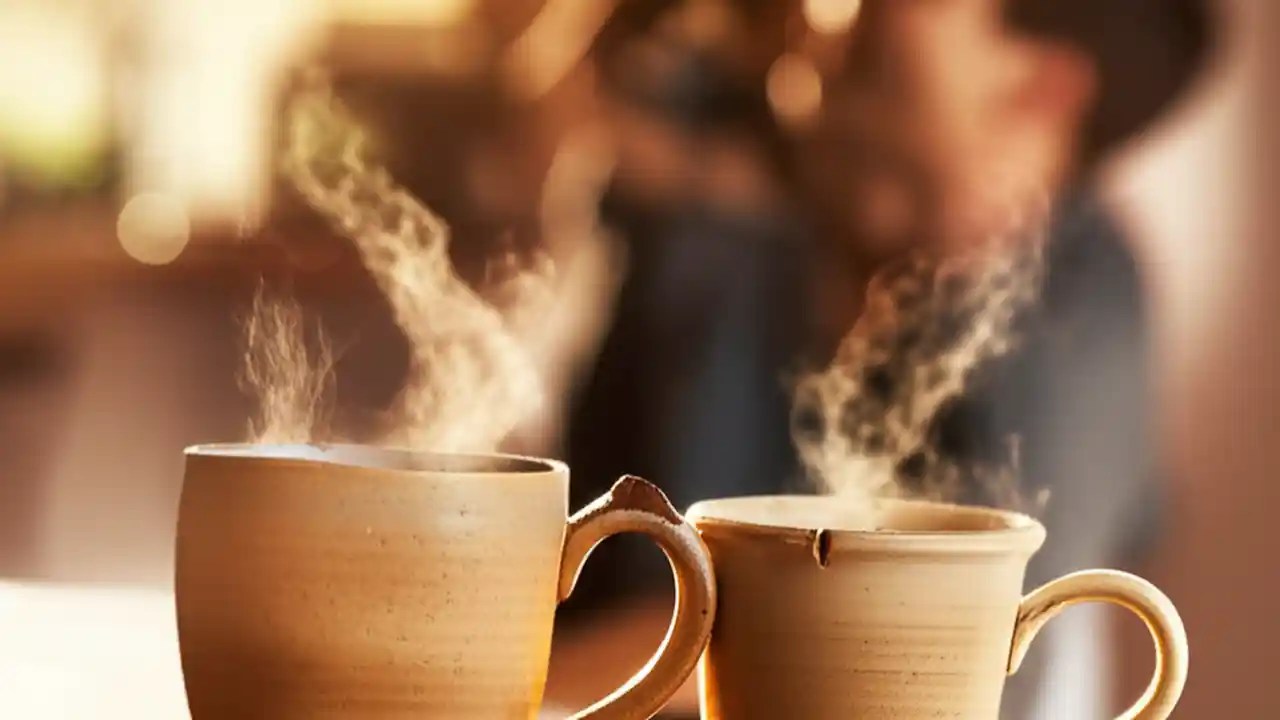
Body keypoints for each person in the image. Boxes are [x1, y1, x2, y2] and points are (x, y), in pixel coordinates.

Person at [542, 0, 1214, 717]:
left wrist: (497, 694)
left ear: (1046, 83)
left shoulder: (1071, 319)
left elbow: (932, 653)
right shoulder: (743, 224)